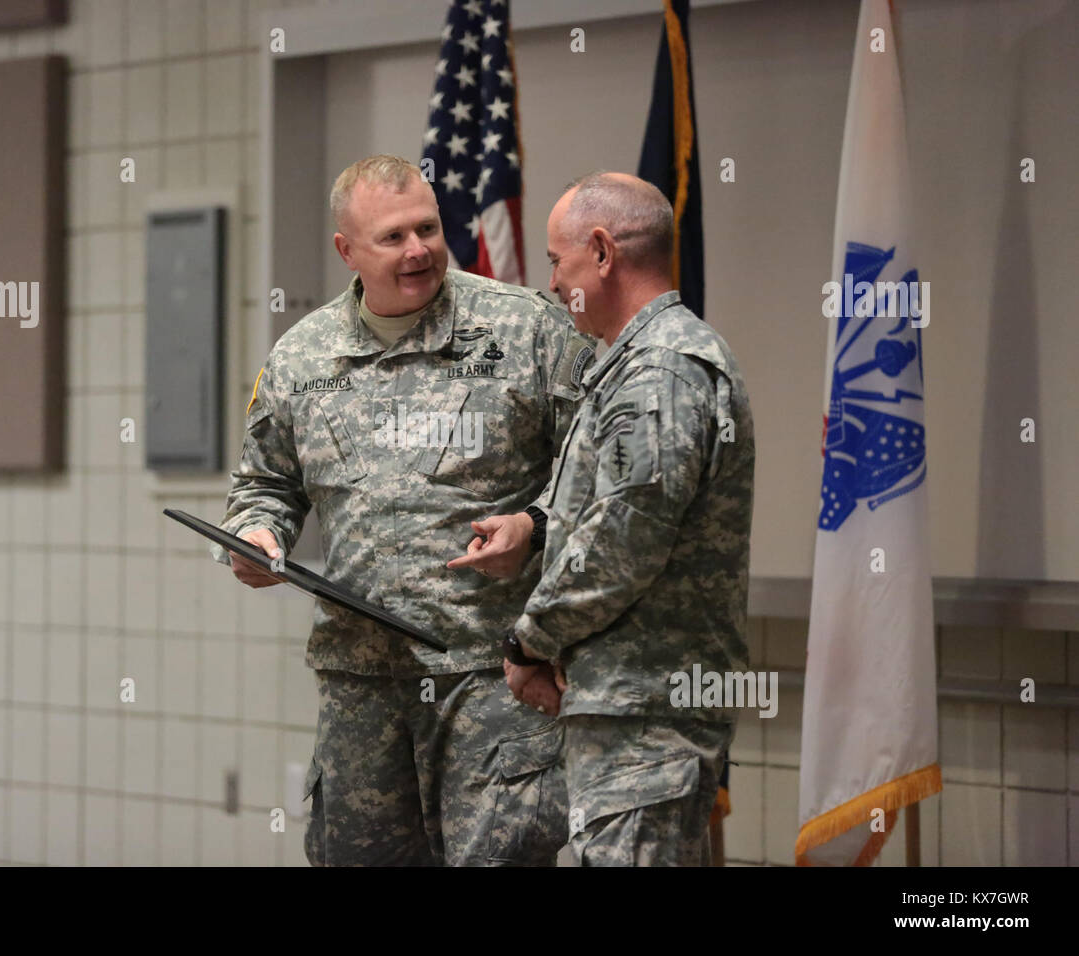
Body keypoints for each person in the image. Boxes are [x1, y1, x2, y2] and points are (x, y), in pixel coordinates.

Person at [214, 155, 594, 866]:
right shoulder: (303, 357)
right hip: (363, 684)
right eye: (393, 237)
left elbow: (602, 463)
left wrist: (534, 525)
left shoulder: (525, 329)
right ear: (347, 251)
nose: (418, 250)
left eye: (427, 228)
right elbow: (265, 482)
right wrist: (256, 531)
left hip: (492, 675)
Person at [453, 172, 755, 866]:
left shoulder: (661, 373)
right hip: (627, 715)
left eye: (558, 261)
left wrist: (528, 641)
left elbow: (624, 538)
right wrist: (532, 527)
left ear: (601, 251)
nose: (553, 282)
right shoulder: (629, 365)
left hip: (645, 721)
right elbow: (605, 511)